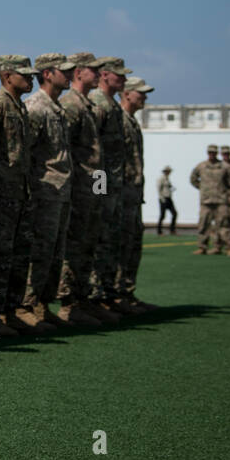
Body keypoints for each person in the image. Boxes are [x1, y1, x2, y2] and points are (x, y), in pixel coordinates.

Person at [0, 55, 38, 336]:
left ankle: (8, 312)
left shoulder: (18, 106)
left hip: (18, 194)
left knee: (16, 257)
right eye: (24, 74)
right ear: (7, 76)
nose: (31, 78)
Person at [22, 53, 74, 332]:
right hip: (44, 191)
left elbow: (95, 160)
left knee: (55, 252)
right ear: (47, 74)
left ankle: (43, 303)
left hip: (63, 190)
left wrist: (98, 191)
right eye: (63, 71)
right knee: (40, 250)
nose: (70, 75)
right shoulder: (36, 107)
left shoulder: (60, 108)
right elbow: (25, 153)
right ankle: (27, 305)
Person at [57, 52, 105, 326]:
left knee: (88, 243)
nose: (98, 74)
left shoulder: (88, 104)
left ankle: (83, 298)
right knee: (74, 245)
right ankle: (69, 303)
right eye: (93, 70)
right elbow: (67, 150)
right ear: (78, 72)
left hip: (92, 186)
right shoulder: (71, 105)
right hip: (77, 187)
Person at [88, 57, 132, 312]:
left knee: (110, 239)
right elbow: (92, 151)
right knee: (98, 238)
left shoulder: (111, 105)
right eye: (119, 75)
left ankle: (106, 294)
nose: (123, 80)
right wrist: (99, 190)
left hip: (113, 185)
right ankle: (94, 296)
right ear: (105, 75)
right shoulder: (98, 103)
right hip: (101, 184)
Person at [117, 77, 155, 310]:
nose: (145, 97)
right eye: (140, 93)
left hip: (132, 193)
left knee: (132, 244)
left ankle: (127, 293)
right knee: (119, 245)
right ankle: (116, 294)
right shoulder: (118, 120)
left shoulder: (131, 121)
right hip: (119, 193)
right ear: (127, 93)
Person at [190, 144, 229, 256]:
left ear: (217, 153)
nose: (212, 155)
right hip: (206, 201)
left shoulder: (224, 166)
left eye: (214, 153)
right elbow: (193, 178)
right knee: (203, 225)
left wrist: (223, 190)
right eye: (210, 153)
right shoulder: (201, 166)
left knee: (222, 225)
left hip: (220, 200)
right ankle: (202, 247)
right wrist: (202, 188)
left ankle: (223, 247)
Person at [156, 167, 176, 235]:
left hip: (169, 198)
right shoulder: (161, 178)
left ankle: (172, 230)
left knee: (174, 214)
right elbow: (159, 189)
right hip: (163, 199)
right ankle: (159, 231)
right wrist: (162, 198)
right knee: (162, 215)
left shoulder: (168, 179)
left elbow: (169, 187)